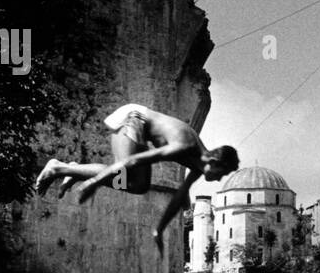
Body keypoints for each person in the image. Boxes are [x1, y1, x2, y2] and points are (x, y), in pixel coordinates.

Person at [34, 102, 238, 254]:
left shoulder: (197, 165)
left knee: (138, 185)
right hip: (133, 119)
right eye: (223, 173)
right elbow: (133, 161)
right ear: (214, 161)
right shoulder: (183, 146)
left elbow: (179, 199)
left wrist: (159, 229)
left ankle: (73, 170)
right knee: (122, 172)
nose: (220, 180)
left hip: (142, 129)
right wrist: (93, 183)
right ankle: (58, 168)